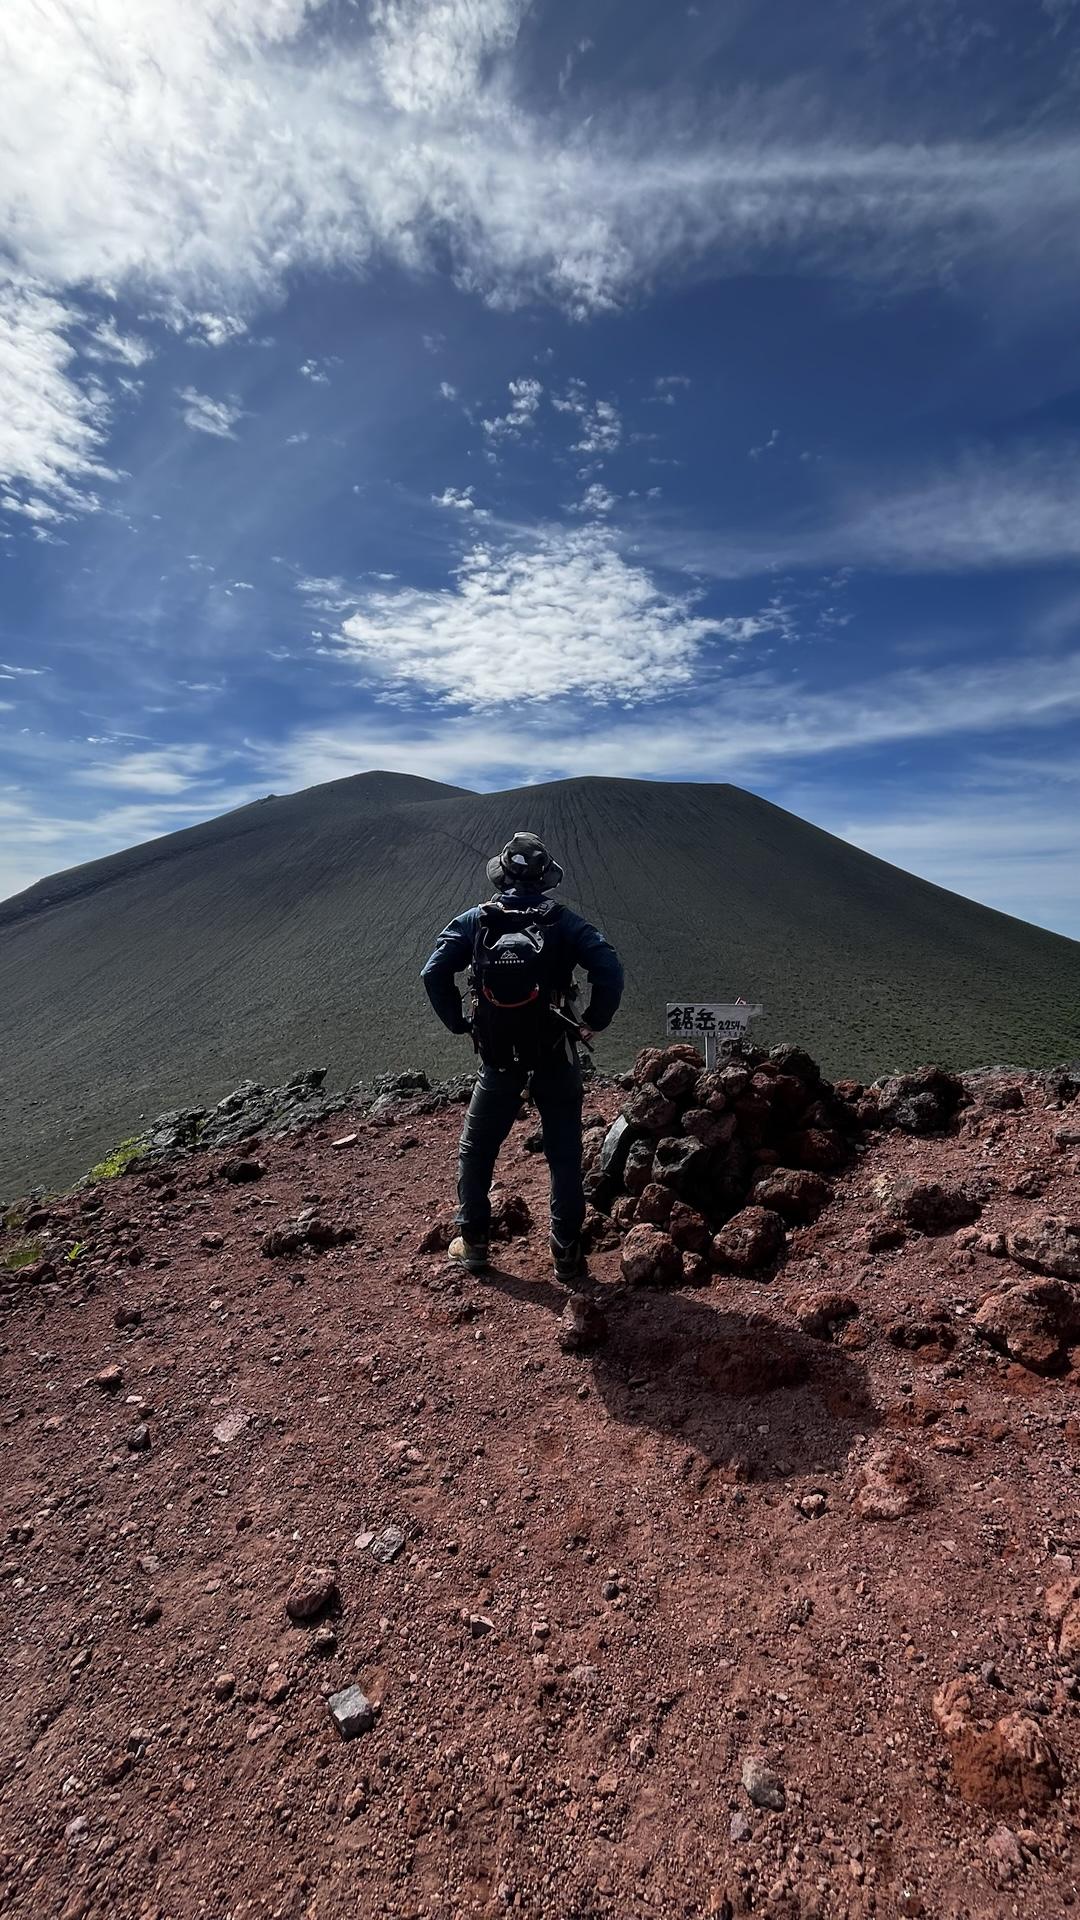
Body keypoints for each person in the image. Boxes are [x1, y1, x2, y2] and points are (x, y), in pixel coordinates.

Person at [421, 831, 624, 1281]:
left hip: (498, 1056)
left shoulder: (476, 920)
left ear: (504, 875)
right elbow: (608, 966)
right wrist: (594, 1017)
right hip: (555, 1049)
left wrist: (461, 1022)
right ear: (545, 878)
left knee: (476, 1149)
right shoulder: (565, 921)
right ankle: (567, 1254)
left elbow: (433, 971)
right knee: (565, 1153)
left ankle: (473, 1242)